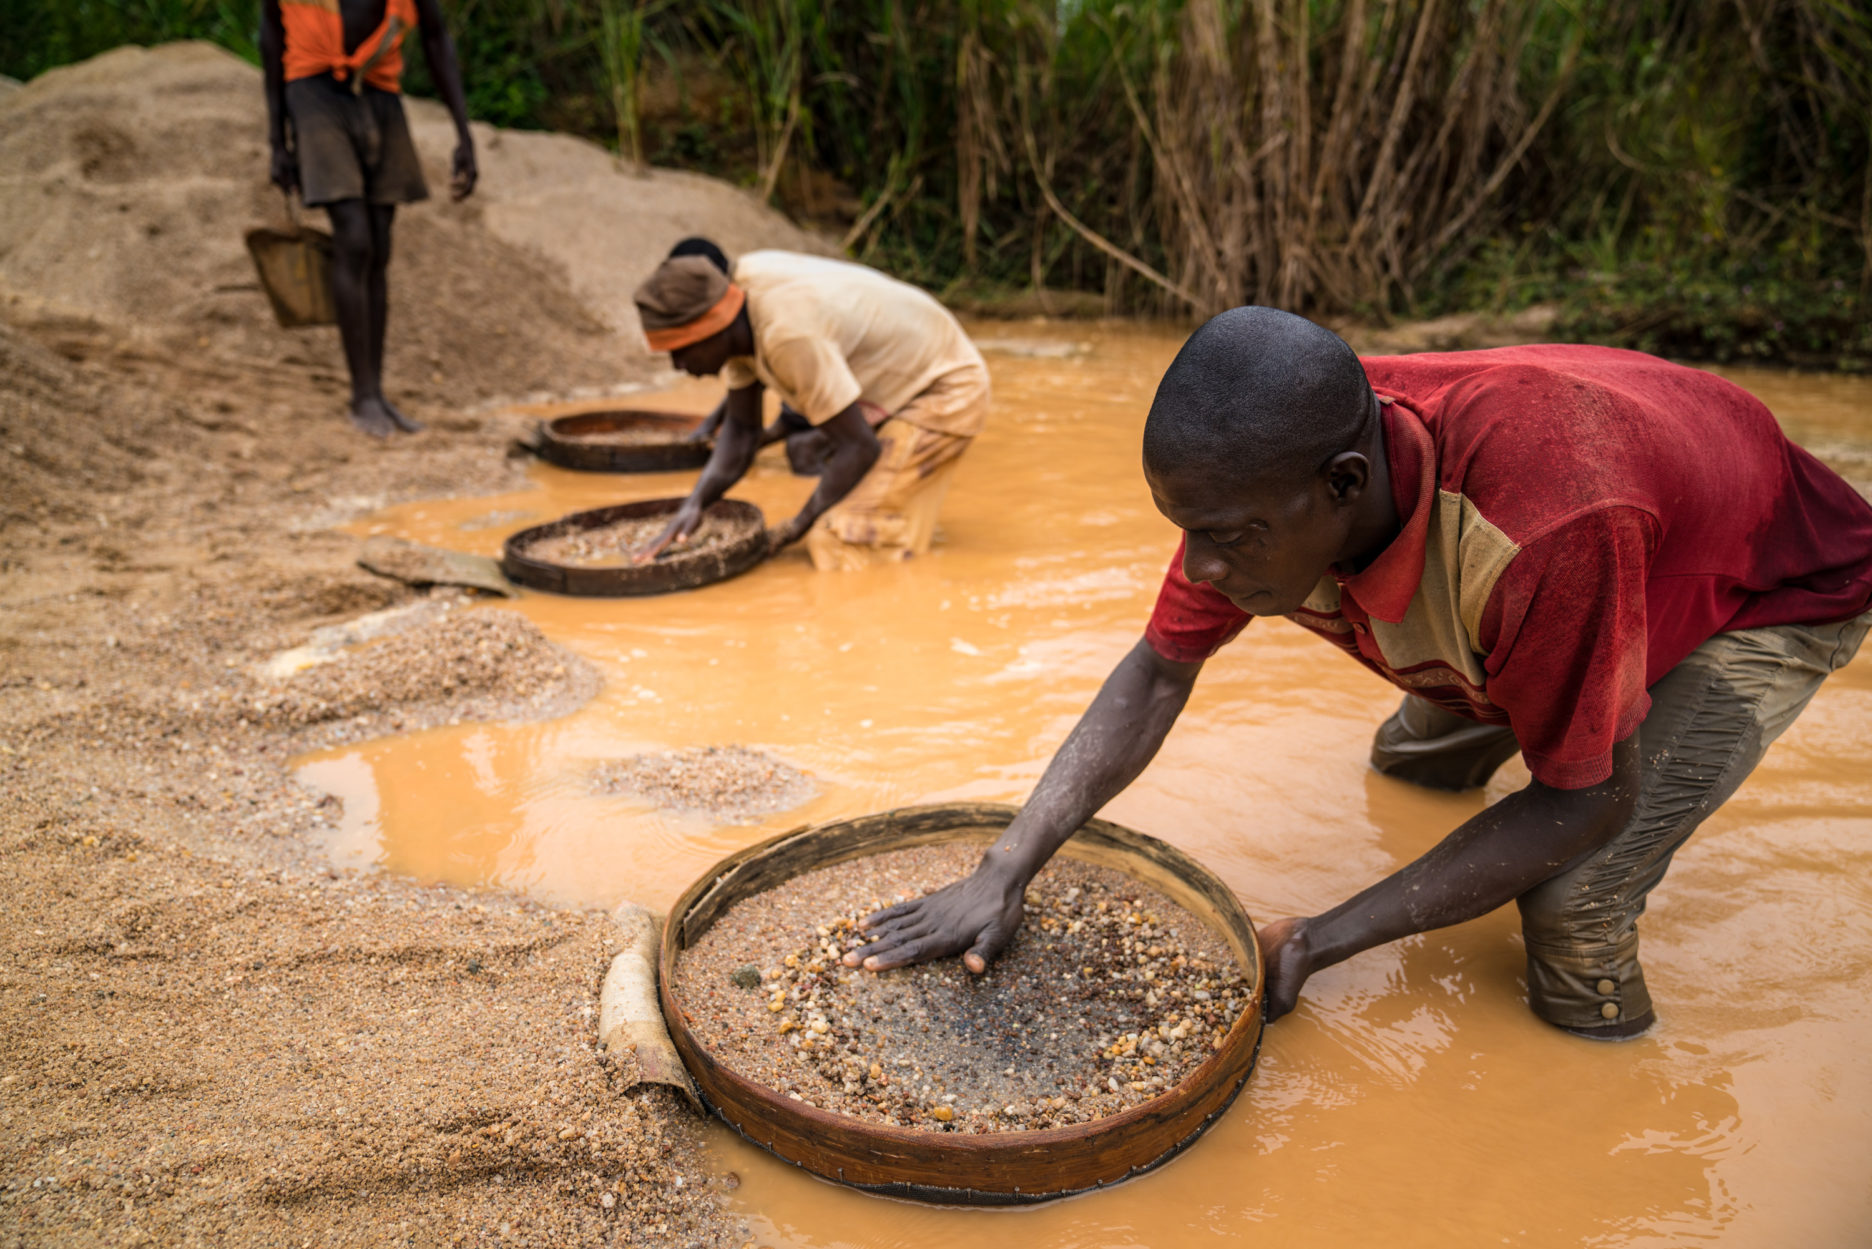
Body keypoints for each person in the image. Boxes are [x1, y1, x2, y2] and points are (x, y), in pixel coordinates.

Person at [845, 307, 1872, 1040]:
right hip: (1592, 542)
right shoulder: (1261, 465)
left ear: (1344, 485)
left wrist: (1321, 938)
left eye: (1226, 539)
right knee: (1412, 760)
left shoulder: (1545, 527)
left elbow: (1586, 799)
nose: (1199, 568)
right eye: (1185, 532)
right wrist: (1006, 864)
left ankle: (1607, 1098)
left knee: (1573, 901)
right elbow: (1157, 673)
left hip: (1767, 586)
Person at [630, 248, 991, 569]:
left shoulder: (788, 337)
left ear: (712, 327)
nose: (678, 365)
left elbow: (859, 446)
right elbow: (741, 432)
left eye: (679, 350)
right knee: (848, 506)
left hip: (944, 389)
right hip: (898, 378)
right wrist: (696, 503)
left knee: (836, 543)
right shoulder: (740, 309)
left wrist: (795, 527)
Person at [260, 0, 478, 438]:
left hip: (379, 92)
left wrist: (464, 133)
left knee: (379, 243)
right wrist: (278, 140)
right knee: (354, 239)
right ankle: (362, 395)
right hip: (314, 92)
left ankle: (375, 390)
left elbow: (436, 37)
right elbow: (272, 37)